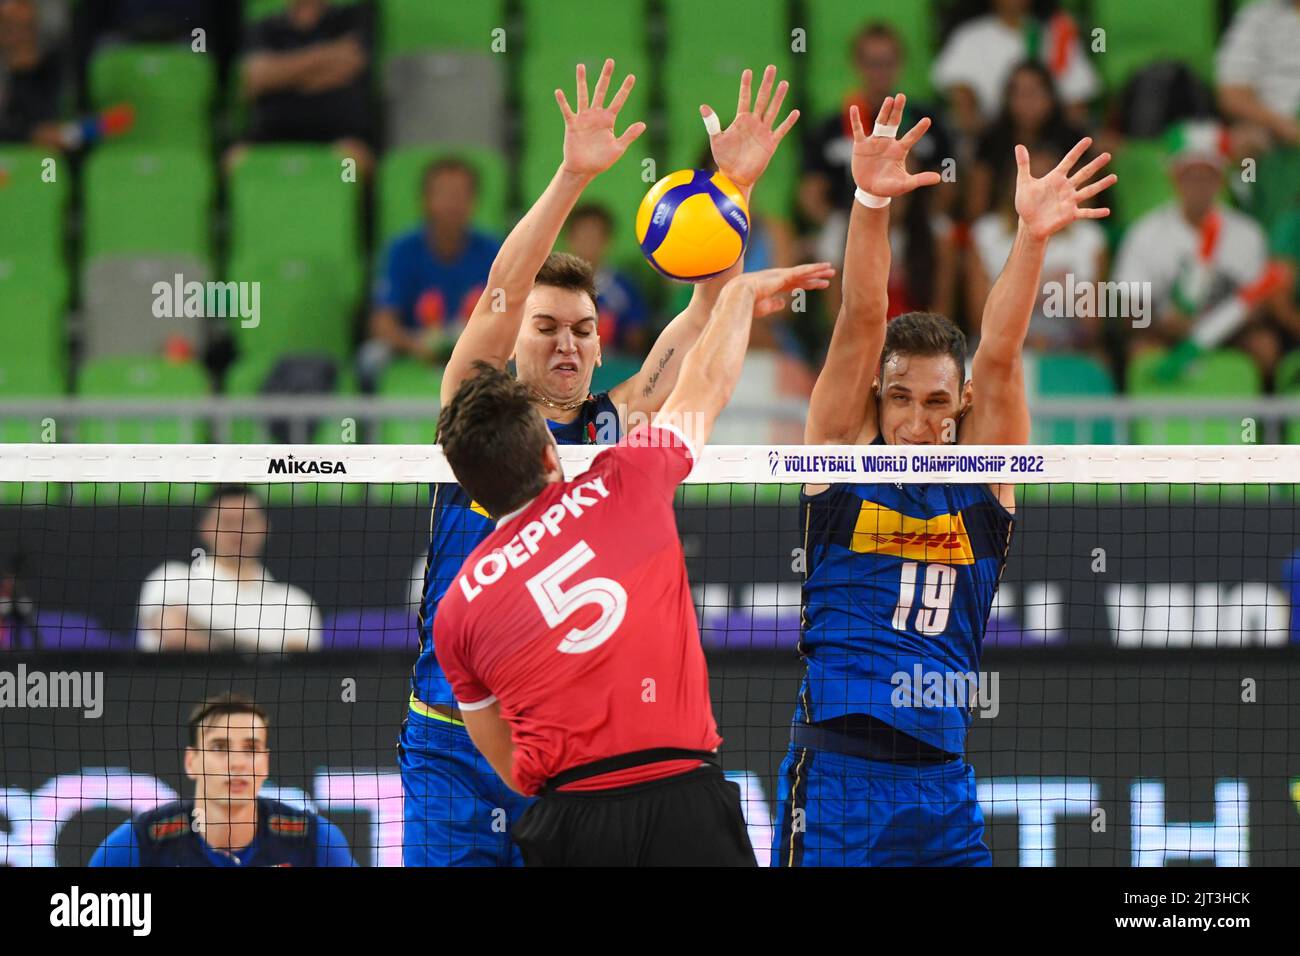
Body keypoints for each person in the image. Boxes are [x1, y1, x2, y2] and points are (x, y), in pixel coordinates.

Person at [400, 58, 800, 867]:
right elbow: (504, 288)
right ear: (515, 340)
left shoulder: (619, 421)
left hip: (577, 761)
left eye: (583, 329)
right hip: (453, 740)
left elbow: (705, 318)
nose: (569, 343)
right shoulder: (473, 408)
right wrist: (573, 175)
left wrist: (732, 193)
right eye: (548, 327)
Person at [772, 94, 1115, 866]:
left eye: (936, 402)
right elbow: (862, 318)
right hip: (838, 779)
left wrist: (1030, 236)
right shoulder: (841, 459)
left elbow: (999, 353)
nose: (919, 421)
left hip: (942, 788)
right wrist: (868, 203)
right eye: (900, 399)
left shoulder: (983, 483)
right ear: (877, 402)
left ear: (959, 408)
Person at [434, 262, 835, 867]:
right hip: (684, 802)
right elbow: (706, 384)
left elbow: (515, 769)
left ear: (468, 485)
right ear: (551, 454)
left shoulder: (458, 611)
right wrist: (740, 296)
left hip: (572, 823)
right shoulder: (627, 479)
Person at [89, 693, 356, 866]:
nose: (237, 762)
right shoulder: (142, 841)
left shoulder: (313, 838)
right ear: (191, 761)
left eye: (251, 748)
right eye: (220, 747)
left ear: (265, 762)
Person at [1112, 121, 1274, 373]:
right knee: (1141, 350)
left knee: (1264, 345)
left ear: (1220, 180)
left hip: (1229, 333)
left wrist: (1217, 325)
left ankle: (1259, 413)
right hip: (1165, 333)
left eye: (1207, 176)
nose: (1199, 185)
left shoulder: (1248, 233)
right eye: (1191, 176)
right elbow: (1129, 304)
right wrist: (1165, 323)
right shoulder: (1145, 232)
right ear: (1175, 178)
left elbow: (1258, 305)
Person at [360, 158, 501, 389]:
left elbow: (508, 317)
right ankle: (368, 425)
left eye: (461, 194)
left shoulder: (494, 251)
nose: (453, 203)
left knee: (521, 362)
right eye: (444, 194)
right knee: (369, 358)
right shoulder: (401, 250)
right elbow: (382, 322)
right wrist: (415, 345)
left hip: (477, 349)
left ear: (473, 201)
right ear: (426, 200)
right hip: (413, 346)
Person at [136, 485, 322, 653]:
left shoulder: (295, 603)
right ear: (206, 528)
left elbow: (299, 663)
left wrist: (203, 631)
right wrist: (265, 652)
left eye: (247, 521)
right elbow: (176, 636)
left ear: (265, 527)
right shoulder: (173, 579)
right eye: (226, 522)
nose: (238, 531)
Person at [968, 146, 1108, 355]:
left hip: (1069, 348)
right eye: (1034, 181)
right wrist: (1051, 290)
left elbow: (1092, 323)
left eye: (1049, 181)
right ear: (1014, 186)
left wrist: (1018, 292)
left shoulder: (1090, 236)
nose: (1041, 191)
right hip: (999, 348)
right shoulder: (986, 232)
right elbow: (978, 317)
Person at [236, 0, 373, 174]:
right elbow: (254, 79)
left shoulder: (351, 17)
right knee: (235, 160)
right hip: (271, 134)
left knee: (353, 162)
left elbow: (351, 62)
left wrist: (281, 76)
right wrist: (328, 56)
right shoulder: (265, 27)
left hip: (337, 135)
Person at [931, 0, 1098, 136]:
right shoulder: (968, 36)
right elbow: (962, 109)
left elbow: (1077, 105)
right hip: (992, 142)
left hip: (1051, 144)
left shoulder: (1058, 33)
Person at [563, 202, 650, 356]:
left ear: (607, 240)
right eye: (582, 235)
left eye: (594, 236)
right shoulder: (551, 284)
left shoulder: (624, 286)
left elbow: (637, 338)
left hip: (612, 367)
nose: (588, 243)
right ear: (569, 238)